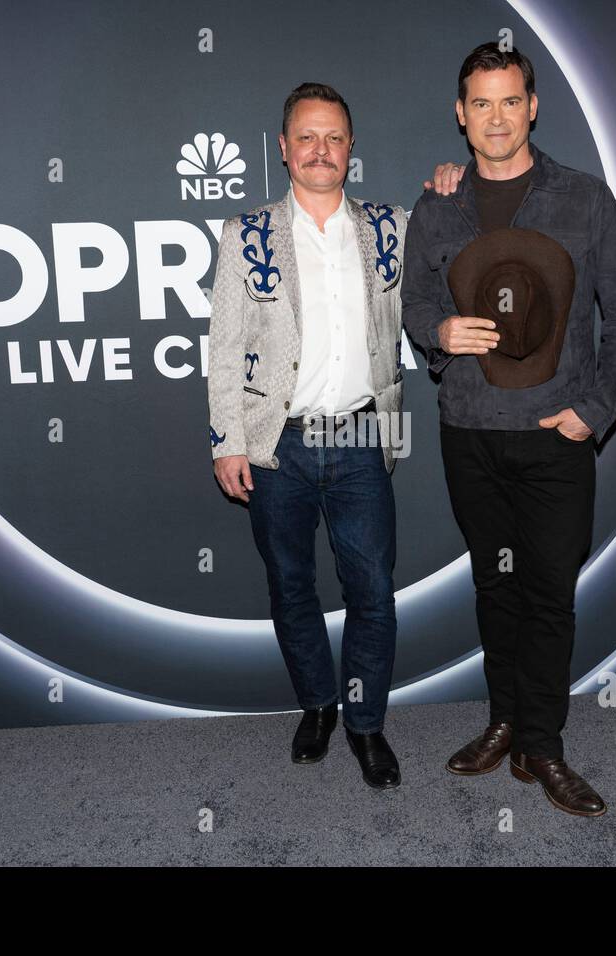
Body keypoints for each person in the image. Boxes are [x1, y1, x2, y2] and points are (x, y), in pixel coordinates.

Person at [402, 42, 616, 816]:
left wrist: (597, 409)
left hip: (555, 437)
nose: (497, 117)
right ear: (460, 115)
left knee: (549, 594)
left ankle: (543, 745)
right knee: (495, 587)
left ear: (533, 106)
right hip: (470, 432)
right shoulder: (438, 204)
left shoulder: (583, 198)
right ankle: (504, 722)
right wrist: (439, 335)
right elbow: (413, 304)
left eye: (511, 101)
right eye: (481, 103)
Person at [206, 82, 408, 790]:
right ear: (285, 149)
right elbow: (225, 347)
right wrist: (226, 439)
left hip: (360, 438)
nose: (321, 149)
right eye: (307, 137)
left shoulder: (392, 226)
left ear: (351, 150)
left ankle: (364, 723)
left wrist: (452, 179)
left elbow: (455, 248)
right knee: (291, 586)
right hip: (275, 446)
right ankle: (318, 704)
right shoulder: (246, 234)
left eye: (335, 137)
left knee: (372, 591)